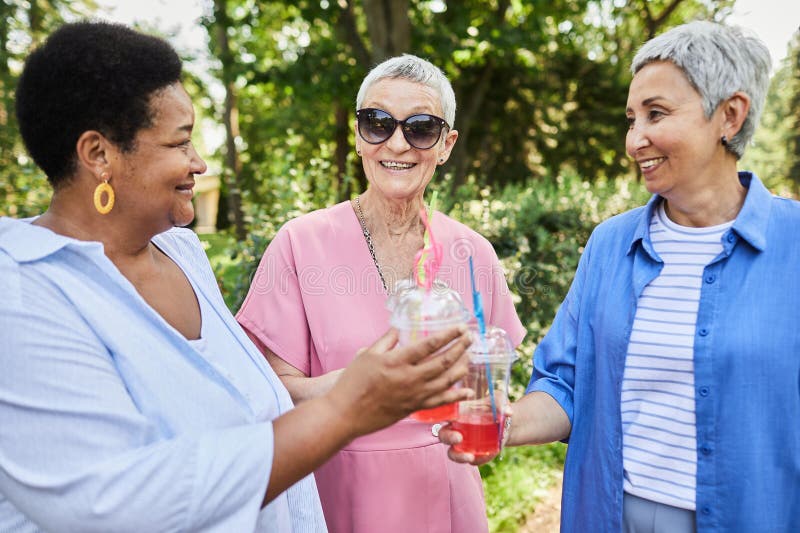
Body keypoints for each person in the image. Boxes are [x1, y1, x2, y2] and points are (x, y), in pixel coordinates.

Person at [0, 22, 475, 533]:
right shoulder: (23, 292)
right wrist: (349, 407)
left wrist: (370, 384)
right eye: (180, 143)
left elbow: (257, 406)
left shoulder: (182, 252)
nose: (199, 164)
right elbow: (114, 505)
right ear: (99, 156)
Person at [440, 20, 799, 532]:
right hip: (608, 515)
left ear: (730, 115)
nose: (635, 140)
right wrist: (501, 426)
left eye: (656, 114)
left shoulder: (794, 247)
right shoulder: (611, 244)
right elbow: (564, 383)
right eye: (631, 119)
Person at [236, 54, 525, 533]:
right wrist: (365, 386)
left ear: (446, 144)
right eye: (377, 123)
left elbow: (491, 387)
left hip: (451, 497)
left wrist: (492, 416)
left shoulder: (474, 253)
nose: (397, 143)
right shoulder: (300, 242)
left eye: (421, 128)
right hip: (343, 495)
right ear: (357, 135)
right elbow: (268, 392)